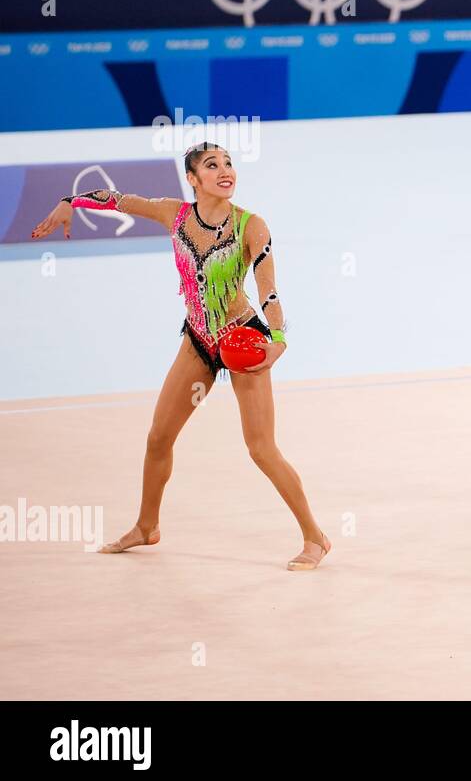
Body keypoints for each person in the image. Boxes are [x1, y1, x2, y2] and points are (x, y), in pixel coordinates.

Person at [30, 141, 332, 569]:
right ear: (193, 179)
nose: (225, 170)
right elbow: (119, 199)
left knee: (261, 448)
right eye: (212, 165)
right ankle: (146, 527)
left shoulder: (251, 225)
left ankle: (315, 538)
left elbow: (270, 292)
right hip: (198, 340)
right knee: (158, 437)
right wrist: (69, 202)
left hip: (242, 341)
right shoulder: (174, 214)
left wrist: (278, 341)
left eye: (228, 163)